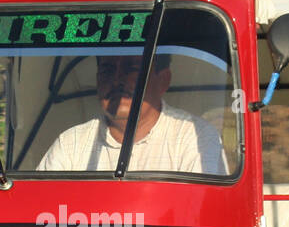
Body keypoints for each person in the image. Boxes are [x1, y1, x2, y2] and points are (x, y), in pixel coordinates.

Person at [37, 54, 228, 174]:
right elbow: (41, 211)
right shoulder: (71, 144)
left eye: (132, 69)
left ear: (163, 81)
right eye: (108, 70)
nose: (117, 81)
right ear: (97, 81)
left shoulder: (195, 137)